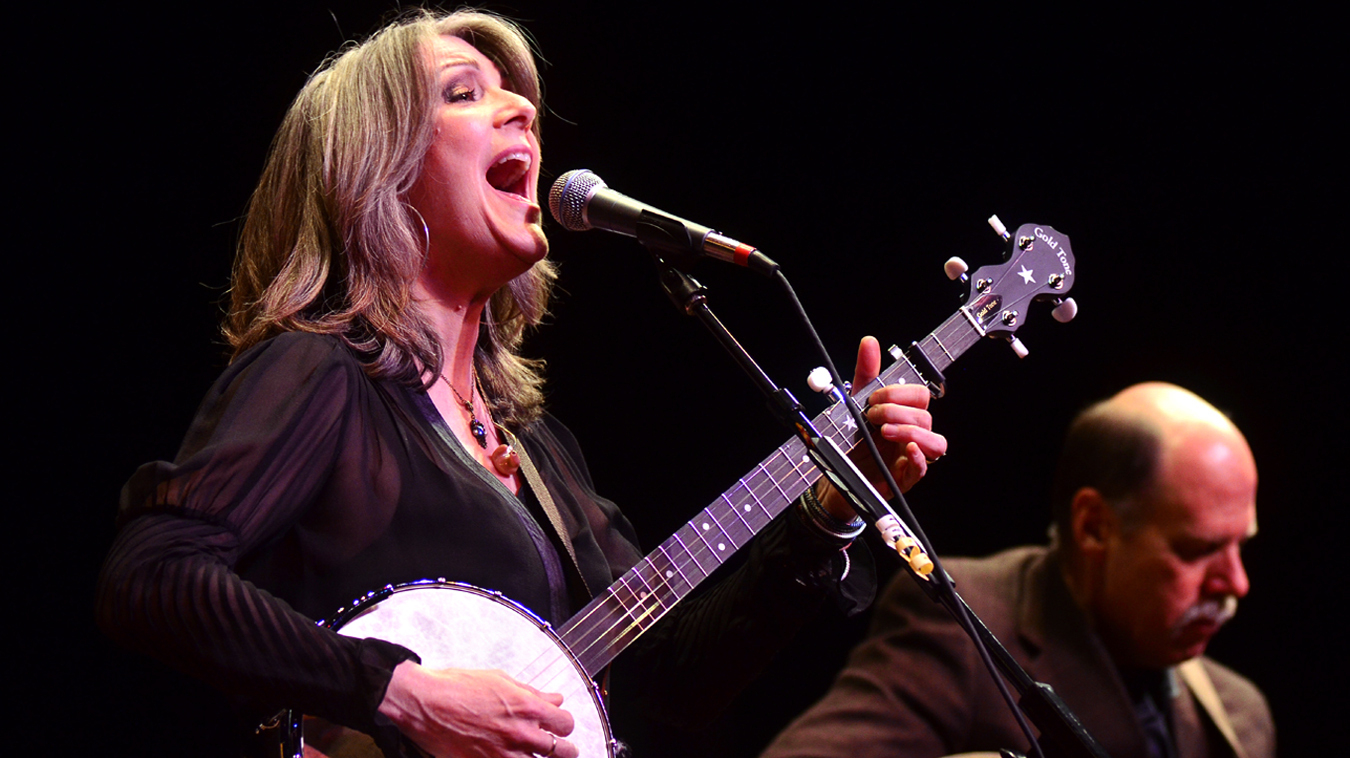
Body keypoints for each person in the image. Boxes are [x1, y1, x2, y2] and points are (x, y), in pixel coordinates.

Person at [94, 10, 946, 758]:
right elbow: (153, 577)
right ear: (373, 167)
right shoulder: (322, 373)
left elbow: (672, 683)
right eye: (463, 93)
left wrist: (830, 514)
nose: (524, 112)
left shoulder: (536, 448)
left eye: (514, 94)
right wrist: (402, 694)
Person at [760, 382, 1273, 758]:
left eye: (1240, 546)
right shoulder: (964, 625)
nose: (1236, 582)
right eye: (1195, 549)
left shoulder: (1240, 717)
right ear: (1094, 527)